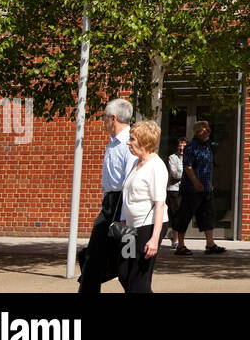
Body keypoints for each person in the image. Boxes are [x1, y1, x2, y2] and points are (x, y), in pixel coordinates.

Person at [78, 98, 136, 293]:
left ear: (113, 118)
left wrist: (124, 217)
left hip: (124, 205)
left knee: (125, 263)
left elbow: (129, 181)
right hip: (110, 203)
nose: (102, 120)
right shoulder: (112, 143)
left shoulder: (130, 143)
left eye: (104, 116)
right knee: (92, 256)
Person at [118, 119, 169, 293]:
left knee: (139, 279)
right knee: (124, 273)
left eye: (132, 139)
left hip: (146, 227)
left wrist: (154, 239)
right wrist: (123, 221)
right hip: (129, 229)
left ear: (145, 141)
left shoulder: (157, 167)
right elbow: (127, 195)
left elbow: (159, 205)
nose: (128, 142)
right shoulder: (135, 163)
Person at [172, 121, 224, 255]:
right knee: (185, 216)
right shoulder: (191, 147)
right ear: (197, 132)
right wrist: (196, 182)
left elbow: (208, 167)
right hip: (191, 189)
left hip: (206, 188)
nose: (207, 132)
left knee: (208, 215)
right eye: (204, 130)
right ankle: (180, 245)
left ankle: (210, 244)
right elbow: (188, 167)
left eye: (208, 129)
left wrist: (208, 183)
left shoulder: (207, 146)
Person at [165, 137, 185, 248]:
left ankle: (181, 240)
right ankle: (176, 239)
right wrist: (188, 172)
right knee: (176, 215)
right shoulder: (172, 158)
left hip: (186, 190)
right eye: (180, 146)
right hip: (174, 190)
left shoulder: (190, 157)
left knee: (183, 215)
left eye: (184, 146)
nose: (182, 148)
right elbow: (175, 174)